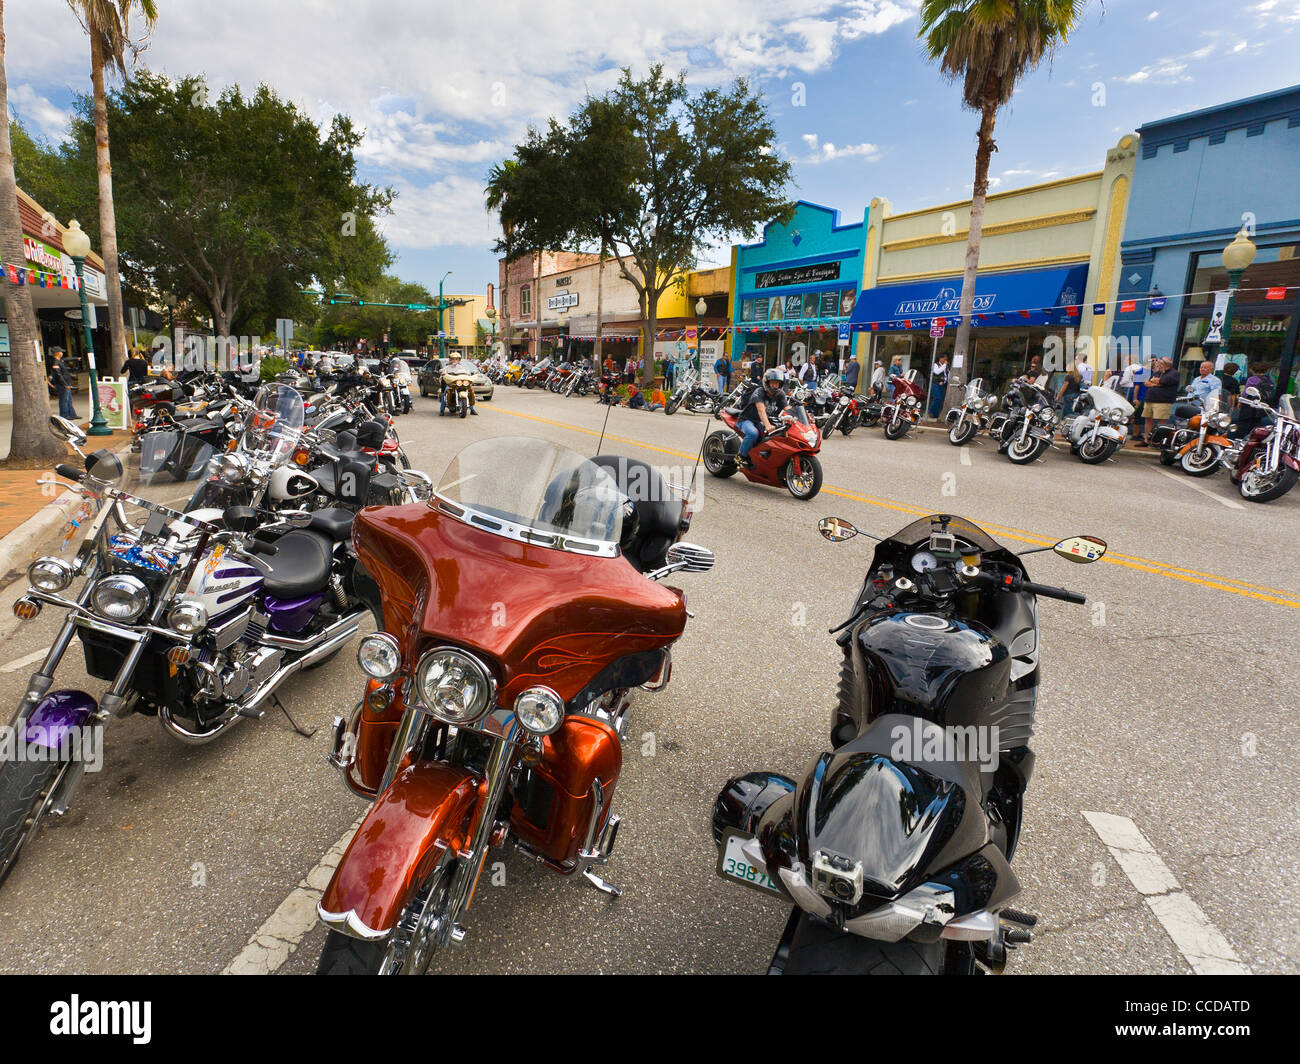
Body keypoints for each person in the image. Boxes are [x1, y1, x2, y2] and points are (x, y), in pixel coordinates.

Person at [737, 368, 788, 468]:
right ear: (767, 383)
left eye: (777, 383)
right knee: (753, 433)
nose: (774, 386)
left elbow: (787, 408)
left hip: (763, 421)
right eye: (772, 383)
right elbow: (761, 410)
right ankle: (740, 457)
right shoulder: (759, 392)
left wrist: (801, 416)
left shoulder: (780, 394)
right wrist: (768, 425)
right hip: (747, 420)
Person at [1138, 357, 1180, 445]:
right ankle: (1146, 440)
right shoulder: (1157, 373)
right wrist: (1156, 383)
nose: (1158, 365)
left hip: (1163, 401)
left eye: (1160, 364)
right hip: (1150, 399)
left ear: (1165, 364)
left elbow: (1164, 381)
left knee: (1161, 422)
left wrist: (1156, 382)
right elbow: (1146, 383)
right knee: (1148, 419)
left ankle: (1158, 441)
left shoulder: (1174, 373)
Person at [46, 348, 77, 420]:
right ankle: (64, 416)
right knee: (64, 400)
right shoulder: (55, 362)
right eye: (61, 352)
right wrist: (65, 384)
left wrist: (76, 358)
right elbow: (58, 375)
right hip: (62, 385)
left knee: (69, 400)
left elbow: (67, 359)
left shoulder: (60, 361)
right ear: (57, 353)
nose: (62, 353)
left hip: (66, 383)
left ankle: (72, 414)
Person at [928, 354, 949, 419]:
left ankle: (937, 414)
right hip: (936, 384)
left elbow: (947, 374)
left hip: (943, 385)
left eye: (946, 359)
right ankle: (930, 412)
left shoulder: (946, 366)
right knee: (937, 398)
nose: (945, 361)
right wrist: (945, 365)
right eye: (944, 359)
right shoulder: (936, 365)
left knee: (941, 400)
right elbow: (937, 372)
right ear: (940, 358)